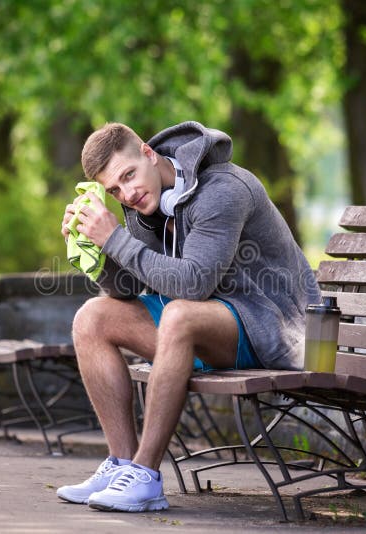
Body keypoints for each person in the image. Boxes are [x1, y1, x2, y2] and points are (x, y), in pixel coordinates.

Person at [57, 121, 319, 512]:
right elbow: (130, 286)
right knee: (92, 317)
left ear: (148, 154)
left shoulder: (224, 189)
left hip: (271, 329)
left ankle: (145, 476)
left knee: (179, 314)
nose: (126, 194)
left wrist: (115, 238)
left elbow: (194, 284)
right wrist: (94, 251)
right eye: (114, 190)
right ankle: (122, 466)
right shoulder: (146, 203)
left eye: (128, 176)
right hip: (205, 327)